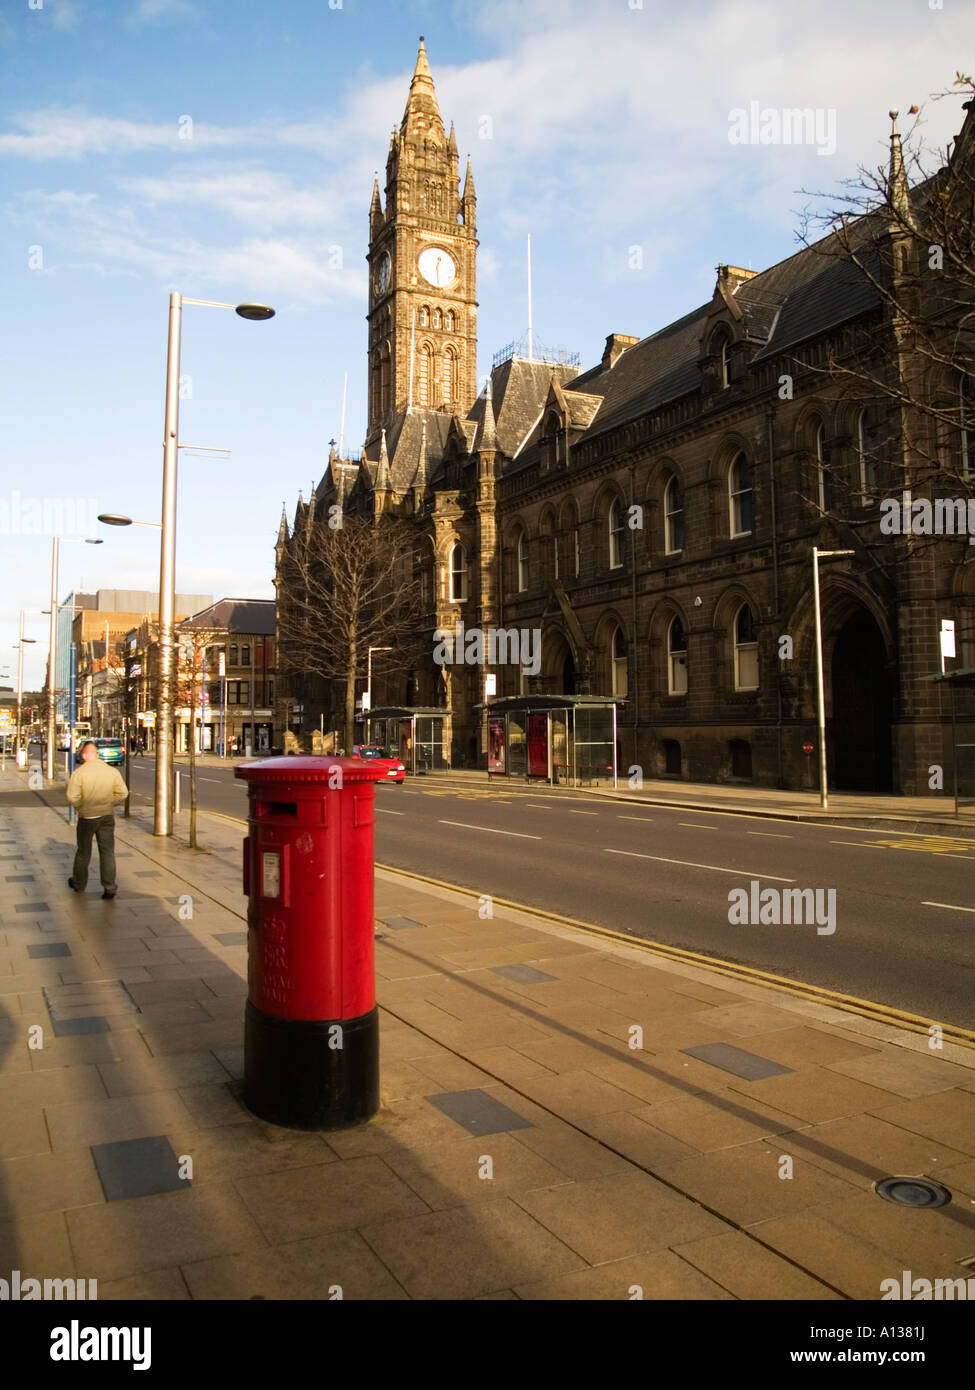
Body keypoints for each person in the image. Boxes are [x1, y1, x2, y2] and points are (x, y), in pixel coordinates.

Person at [66, 740, 129, 899]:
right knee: (107, 852)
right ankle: (109, 887)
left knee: (83, 852)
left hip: (87, 817)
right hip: (107, 816)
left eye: (82, 754)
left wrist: (81, 807)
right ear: (97, 754)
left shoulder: (79, 773)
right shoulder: (111, 772)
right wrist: (110, 803)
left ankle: (79, 884)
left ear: (86, 755)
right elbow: (123, 793)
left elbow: (72, 796)